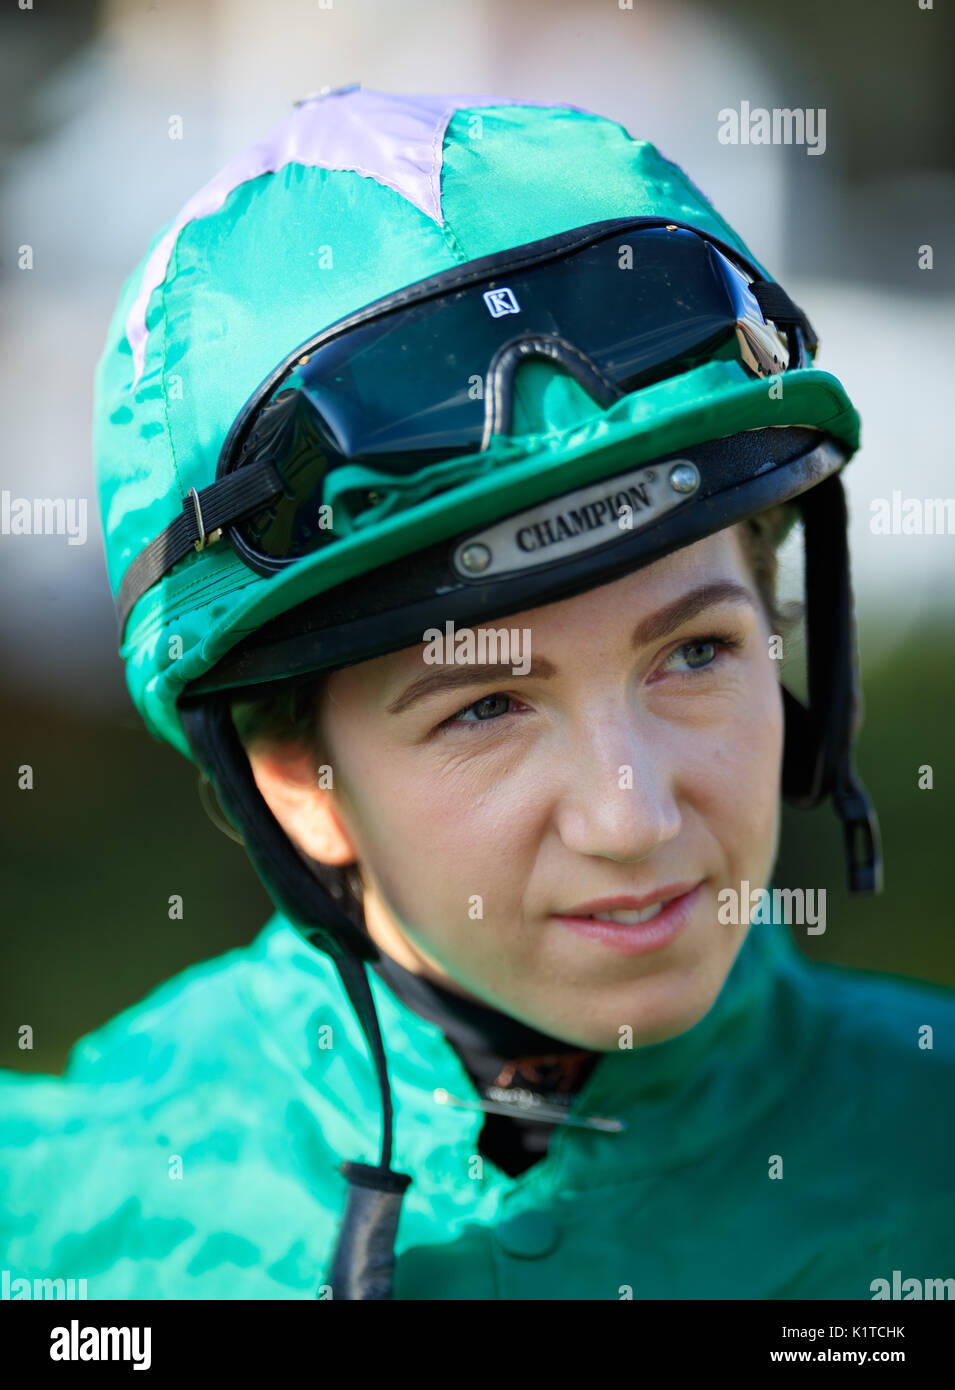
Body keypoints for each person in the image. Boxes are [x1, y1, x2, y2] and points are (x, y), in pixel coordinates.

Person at [2, 87, 952, 1302]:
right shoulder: (48, 1233)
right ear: (295, 778)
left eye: (695, 653)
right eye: (485, 706)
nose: (636, 819)